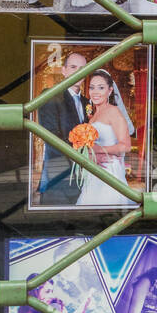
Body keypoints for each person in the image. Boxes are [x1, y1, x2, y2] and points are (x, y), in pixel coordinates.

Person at [37, 50, 90, 204]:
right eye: (73, 67)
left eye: (82, 68)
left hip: (85, 179)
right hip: (58, 179)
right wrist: (82, 157)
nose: (78, 72)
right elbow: (52, 137)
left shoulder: (88, 103)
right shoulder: (50, 96)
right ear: (64, 70)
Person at [76, 69, 133, 207]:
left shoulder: (113, 111)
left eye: (101, 88)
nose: (95, 92)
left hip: (109, 172)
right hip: (94, 173)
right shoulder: (93, 116)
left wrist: (97, 150)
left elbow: (125, 146)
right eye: (92, 87)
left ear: (110, 90)